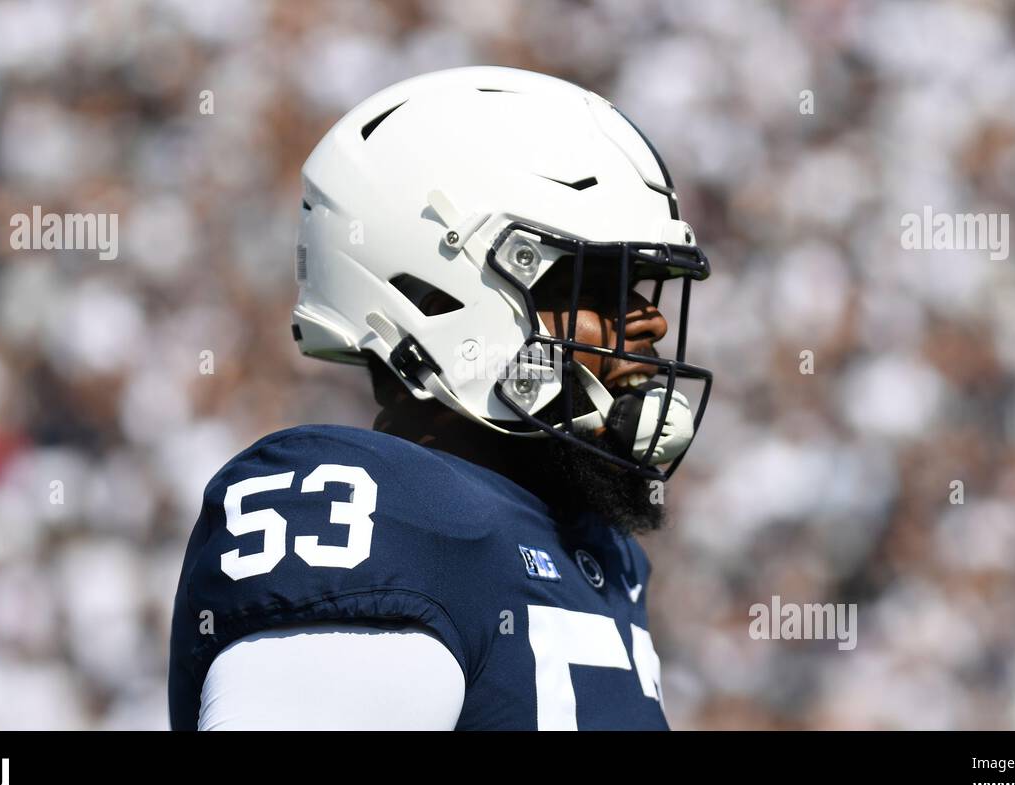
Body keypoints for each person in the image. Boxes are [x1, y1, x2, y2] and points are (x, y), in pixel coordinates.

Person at [168, 66, 713, 730]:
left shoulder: (595, 554)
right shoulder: (386, 522)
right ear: (438, 298)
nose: (649, 323)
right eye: (595, 286)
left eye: (644, 287)